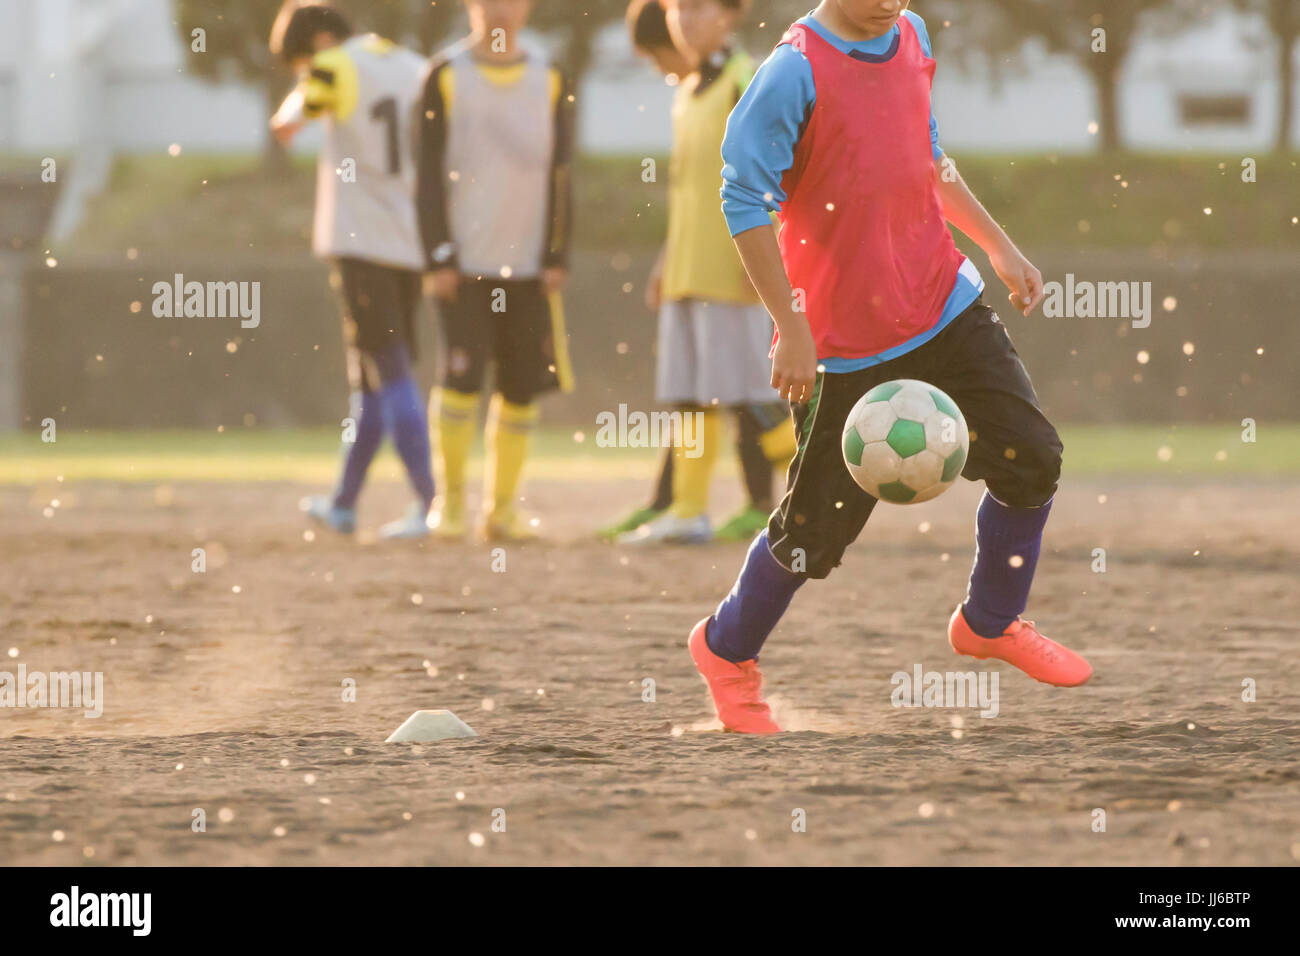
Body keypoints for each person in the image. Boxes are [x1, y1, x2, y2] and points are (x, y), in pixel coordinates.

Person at [689, 0, 1093, 734]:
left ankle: (991, 621)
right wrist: (792, 326)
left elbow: (926, 160)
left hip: (942, 303)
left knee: (1032, 458)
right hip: (842, 346)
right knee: (812, 538)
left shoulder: (911, 34)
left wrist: (999, 245)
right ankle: (725, 649)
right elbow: (742, 197)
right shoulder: (792, 72)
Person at [611, 0, 796, 546]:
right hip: (688, 270)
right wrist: (668, 259)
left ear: (731, 15)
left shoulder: (745, 81)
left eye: (699, 7)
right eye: (677, 8)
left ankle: (820, 480)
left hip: (732, 271)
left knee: (745, 397)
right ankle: (688, 512)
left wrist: (764, 263)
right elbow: (690, 191)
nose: (686, 20)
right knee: (690, 396)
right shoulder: (687, 91)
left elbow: (773, 179)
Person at [269, 1, 436, 539]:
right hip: (410, 243)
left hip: (360, 242)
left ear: (317, 41)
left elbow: (290, 120)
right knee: (372, 379)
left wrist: (293, 108)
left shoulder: (333, 63)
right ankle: (343, 501)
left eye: (298, 61)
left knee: (391, 372)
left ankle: (429, 502)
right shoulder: (415, 66)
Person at [415, 0, 576, 543]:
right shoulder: (444, 75)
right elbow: (427, 174)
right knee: (460, 378)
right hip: (462, 266)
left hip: (528, 267)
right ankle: (450, 504)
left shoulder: (550, 77)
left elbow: (562, 172)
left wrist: (557, 254)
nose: (501, 11)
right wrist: (437, 253)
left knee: (521, 387)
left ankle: (502, 510)